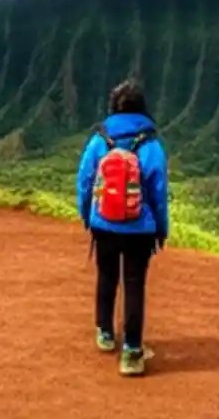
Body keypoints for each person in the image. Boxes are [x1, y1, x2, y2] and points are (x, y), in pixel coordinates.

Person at [76, 79, 169, 377]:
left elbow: (85, 182)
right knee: (134, 285)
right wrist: (160, 229)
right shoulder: (151, 144)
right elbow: (158, 191)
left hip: (103, 223)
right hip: (139, 228)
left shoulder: (99, 140)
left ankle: (104, 333)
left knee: (106, 276)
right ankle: (131, 352)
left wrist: (87, 216)